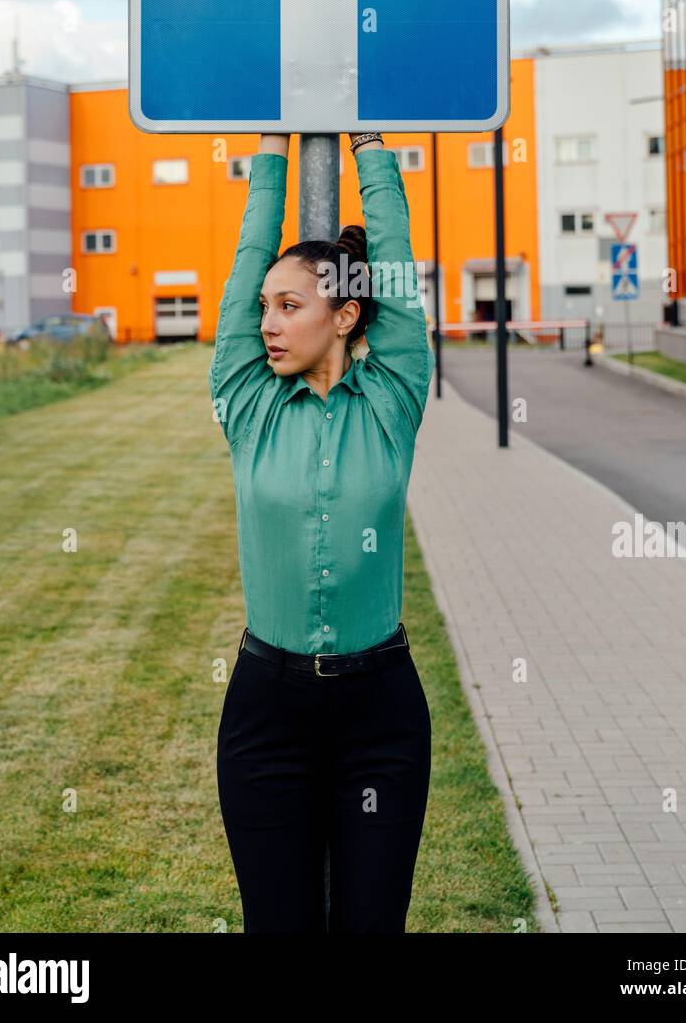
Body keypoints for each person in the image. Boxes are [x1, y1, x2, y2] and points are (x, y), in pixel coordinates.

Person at [210, 130, 436, 934]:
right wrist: (273, 144)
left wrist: (368, 142)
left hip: (380, 714)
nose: (266, 321)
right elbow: (246, 262)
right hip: (267, 713)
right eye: (265, 308)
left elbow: (399, 269)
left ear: (344, 315)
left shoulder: (393, 398)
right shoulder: (248, 401)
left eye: (290, 306)